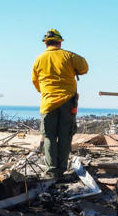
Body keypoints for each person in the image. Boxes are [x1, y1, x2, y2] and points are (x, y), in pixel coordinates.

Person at [32, 28, 89, 179]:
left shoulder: (39, 59)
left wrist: (46, 92)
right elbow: (85, 68)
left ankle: (51, 171)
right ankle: (62, 169)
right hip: (68, 102)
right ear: (60, 42)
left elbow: (35, 82)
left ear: (46, 44)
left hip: (48, 103)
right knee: (65, 135)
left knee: (49, 136)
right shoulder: (68, 56)